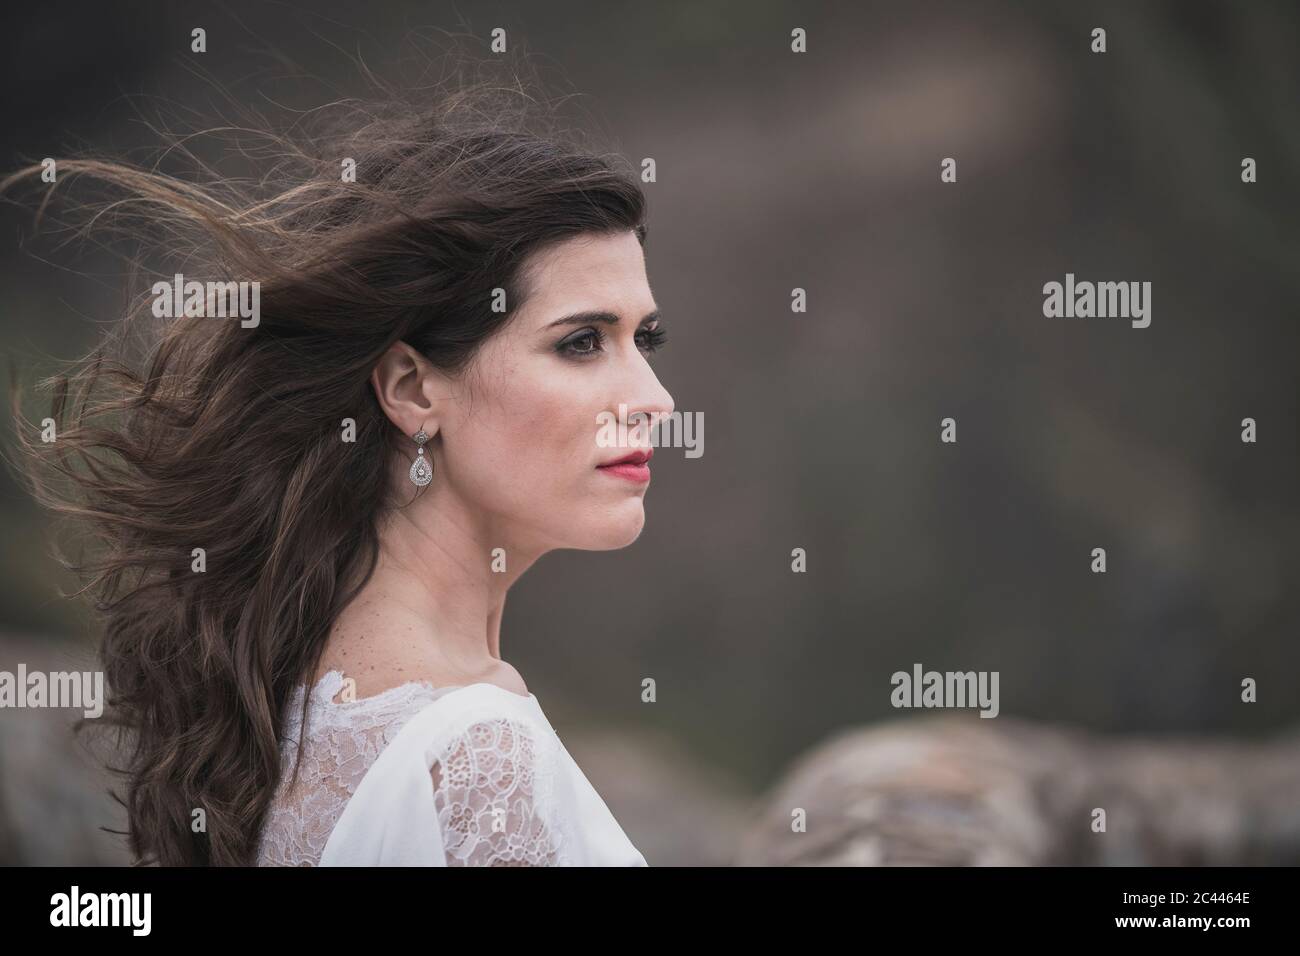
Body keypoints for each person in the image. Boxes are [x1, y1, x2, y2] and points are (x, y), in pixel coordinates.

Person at [3, 52, 671, 866]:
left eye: (646, 340)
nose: (655, 400)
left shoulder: (284, 707)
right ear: (411, 390)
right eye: (580, 342)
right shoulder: (480, 755)